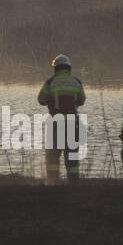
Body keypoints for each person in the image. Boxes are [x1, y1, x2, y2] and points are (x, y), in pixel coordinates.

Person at [36, 53, 86, 184]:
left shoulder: (50, 82)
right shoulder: (76, 82)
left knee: (52, 155)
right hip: (73, 124)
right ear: (68, 68)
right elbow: (82, 100)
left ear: (56, 68)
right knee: (72, 157)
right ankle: (74, 184)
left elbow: (41, 100)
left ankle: (53, 183)